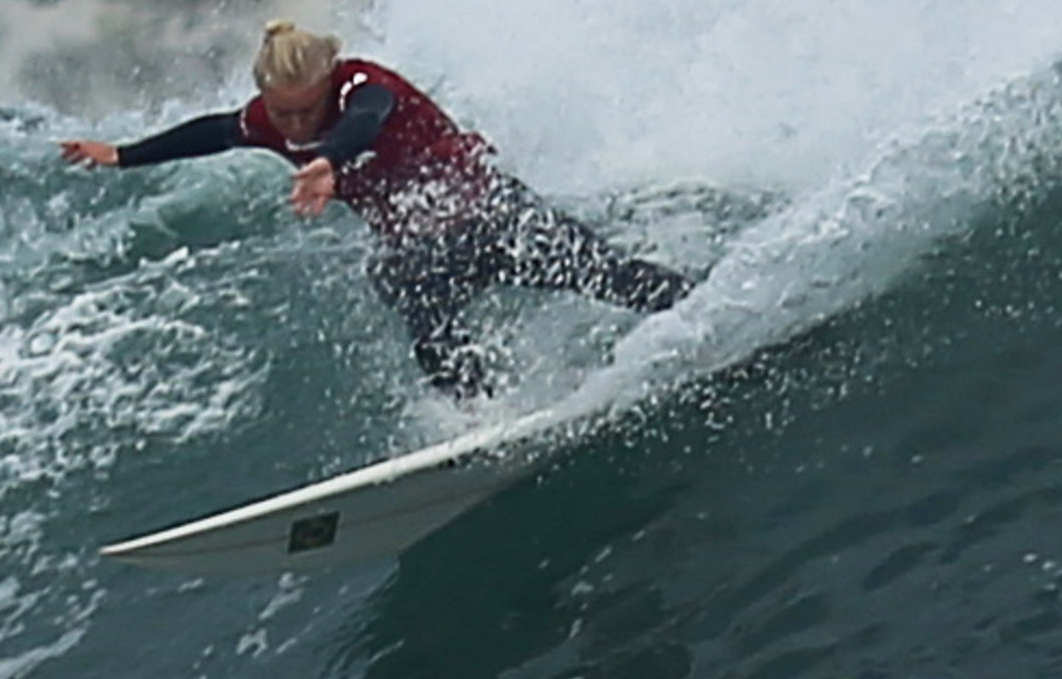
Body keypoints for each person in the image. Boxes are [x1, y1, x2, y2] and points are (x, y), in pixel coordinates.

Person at [64, 21, 689, 403]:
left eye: (308, 109)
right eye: (284, 114)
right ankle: (481, 419)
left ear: (330, 76)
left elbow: (369, 120)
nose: (297, 124)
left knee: (615, 279)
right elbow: (210, 132)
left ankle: (707, 305)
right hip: (427, 251)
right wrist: (120, 155)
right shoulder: (268, 117)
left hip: (498, 219)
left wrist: (330, 159)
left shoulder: (363, 85)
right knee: (407, 288)